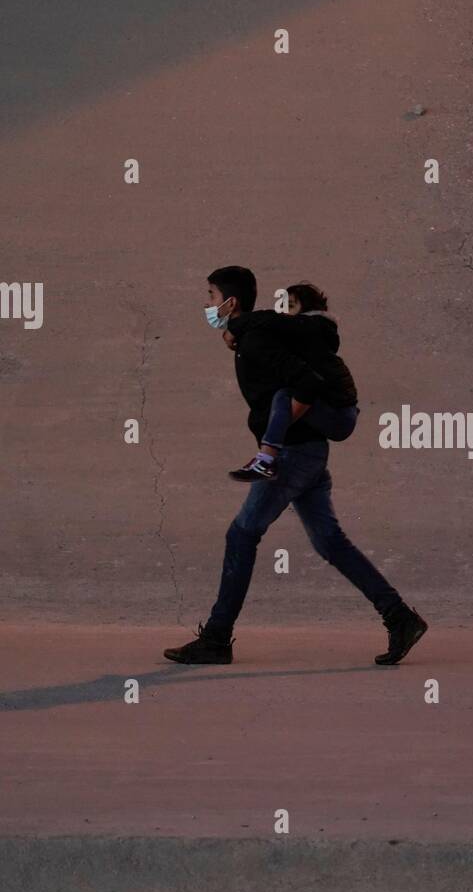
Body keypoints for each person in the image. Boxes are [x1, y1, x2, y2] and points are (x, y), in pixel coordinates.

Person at [163, 265, 428, 667]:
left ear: (231, 303)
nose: (207, 304)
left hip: (292, 455)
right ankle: (400, 618)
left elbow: (304, 382)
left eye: (212, 296)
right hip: (308, 453)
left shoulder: (254, 340)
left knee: (241, 535)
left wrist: (276, 440)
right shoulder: (254, 334)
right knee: (329, 542)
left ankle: (217, 639)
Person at [228, 282, 358, 481]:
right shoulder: (309, 333)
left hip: (339, 415)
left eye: (289, 306)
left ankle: (265, 460)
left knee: (285, 395)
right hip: (339, 414)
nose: (283, 312)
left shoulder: (310, 325)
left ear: (306, 309)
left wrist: (235, 326)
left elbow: (269, 320)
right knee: (316, 509)